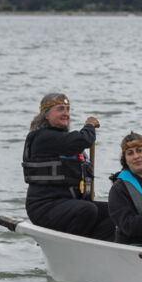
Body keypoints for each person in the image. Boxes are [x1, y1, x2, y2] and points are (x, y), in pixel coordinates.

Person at [22, 92, 115, 240]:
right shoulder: (43, 137)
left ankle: (95, 246)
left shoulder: (61, 139)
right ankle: (72, 246)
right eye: (60, 109)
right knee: (87, 209)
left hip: (67, 203)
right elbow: (83, 140)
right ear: (46, 115)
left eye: (67, 109)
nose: (66, 114)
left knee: (114, 211)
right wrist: (89, 126)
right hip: (44, 207)